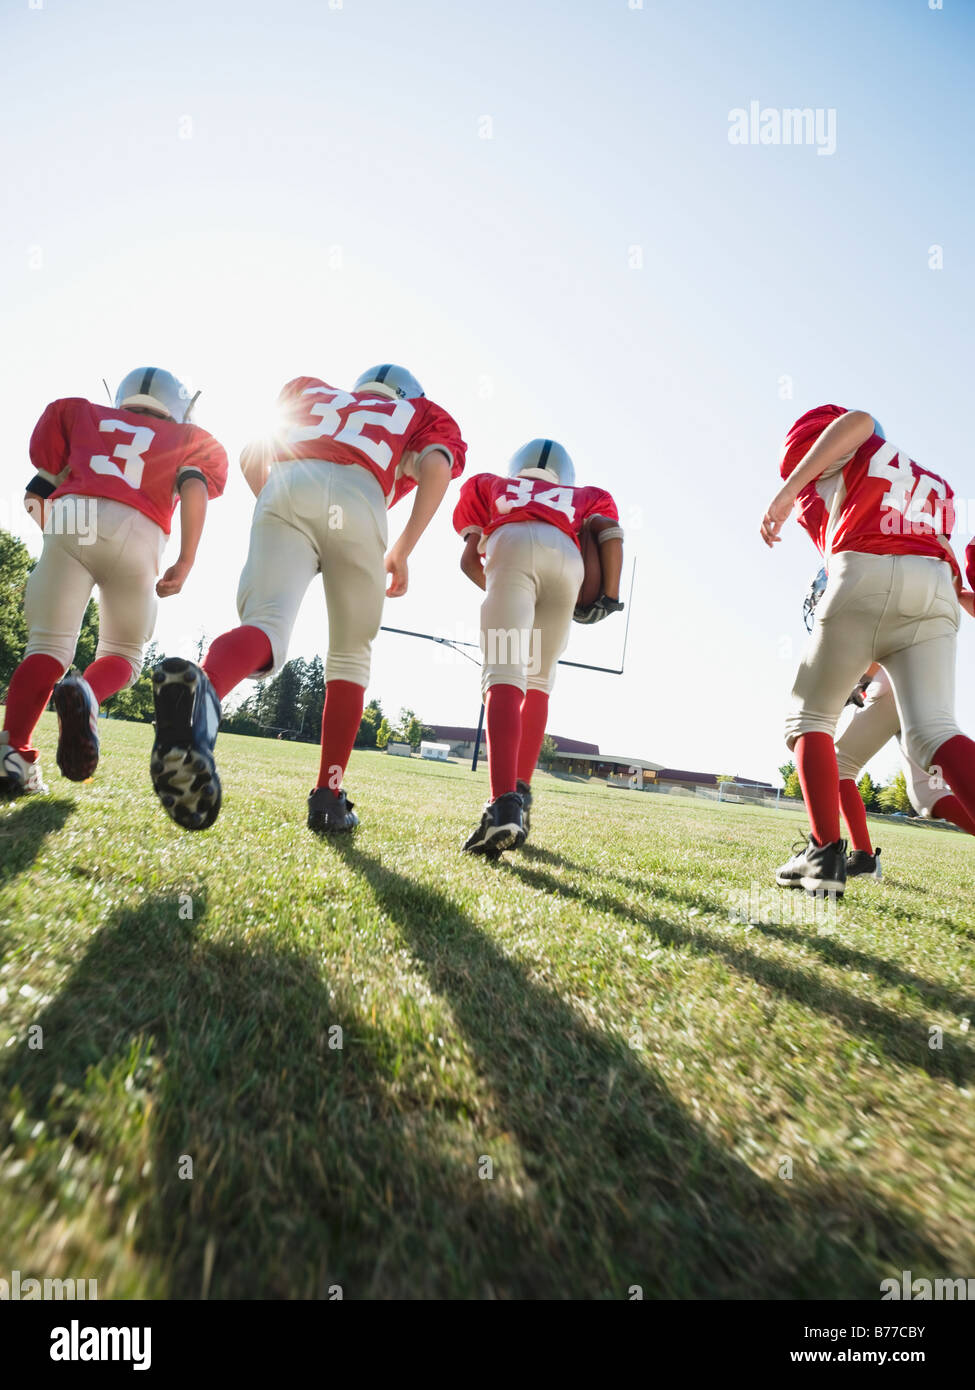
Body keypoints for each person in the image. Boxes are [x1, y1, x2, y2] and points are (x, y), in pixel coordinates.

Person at [149, 364, 465, 833]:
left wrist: (279, 503)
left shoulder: (312, 392)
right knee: (350, 656)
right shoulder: (414, 412)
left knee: (265, 624)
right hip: (360, 496)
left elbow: (252, 453)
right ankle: (328, 796)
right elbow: (436, 466)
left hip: (288, 484)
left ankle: (202, 699)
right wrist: (402, 549)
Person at [761, 404, 975, 897]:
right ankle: (846, 855)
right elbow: (948, 580)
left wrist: (785, 492)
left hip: (867, 567)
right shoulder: (928, 483)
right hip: (937, 593)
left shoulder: (851, 448)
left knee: (808, 719)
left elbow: (856, 421)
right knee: (937, 733)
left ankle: (822, 856)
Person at [0, 368, 227, 795]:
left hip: (71, 517)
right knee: (125, 654)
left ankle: (11, 752)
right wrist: (187, 559)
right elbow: (194, 484)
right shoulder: (185, 439)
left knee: (47, 647)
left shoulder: (83, 419)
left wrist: (60, 541)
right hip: (138, 532)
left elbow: (34, 495)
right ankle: (86, 693)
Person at [453, 438, 623, 856]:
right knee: (540, 682)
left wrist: (510, 597)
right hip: (568, 563)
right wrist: (611, 597)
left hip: (511, 548)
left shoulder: (490, 485)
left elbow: (469, 561)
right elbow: (611, 534)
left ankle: (502, 806)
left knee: (504, 674)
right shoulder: (586, 496)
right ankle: (522, 796)